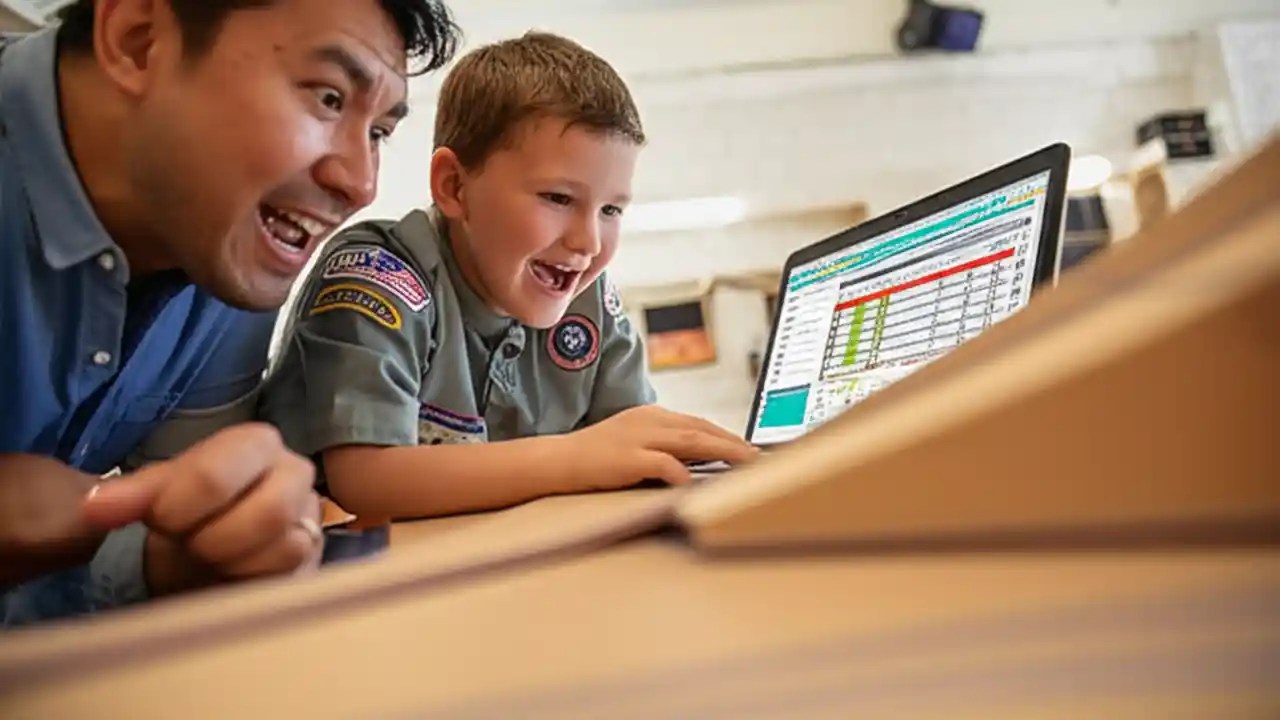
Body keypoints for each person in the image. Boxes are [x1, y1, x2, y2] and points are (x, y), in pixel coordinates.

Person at [0, 0, 459, 626]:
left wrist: (206, 547)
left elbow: (179, 532)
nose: (360, 183)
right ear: (137, 40)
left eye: (378, 132)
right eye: (327, 98)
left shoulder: (227, 240)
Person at [261, 32, 756, 522]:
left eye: (610, 209)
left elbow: (635, 445)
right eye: (558, 199)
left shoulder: (586, 302)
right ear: (454, 187)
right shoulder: (381, 273)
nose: (587, 242)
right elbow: (367, 479)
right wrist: (577, 457)